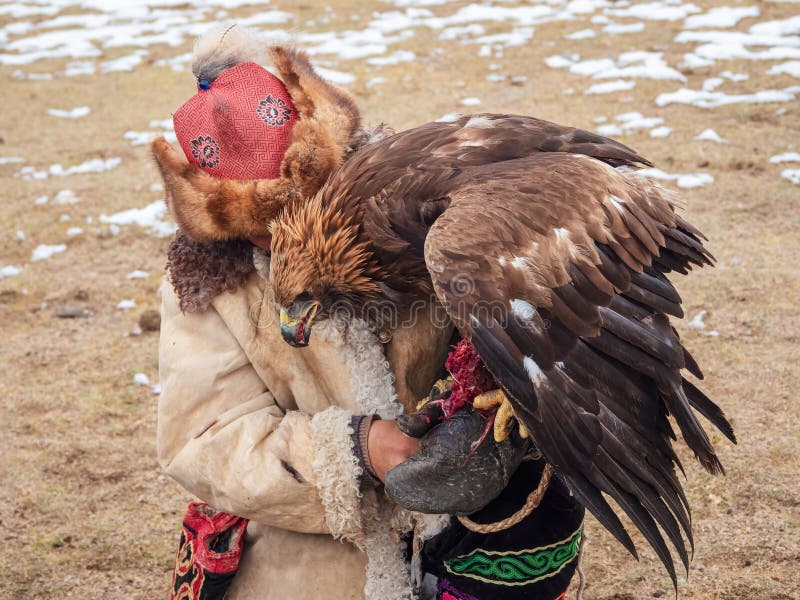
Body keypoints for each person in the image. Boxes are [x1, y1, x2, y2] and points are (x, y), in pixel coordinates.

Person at [154, 27, 583, 600]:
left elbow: (535, 323)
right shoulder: (206, 283)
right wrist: (355, 451)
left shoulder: (424, 208)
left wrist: (489, 408)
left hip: (465, 531)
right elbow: (204, 441)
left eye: (293, 206)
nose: (277, 235)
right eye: (256, 225)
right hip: (311, 556)